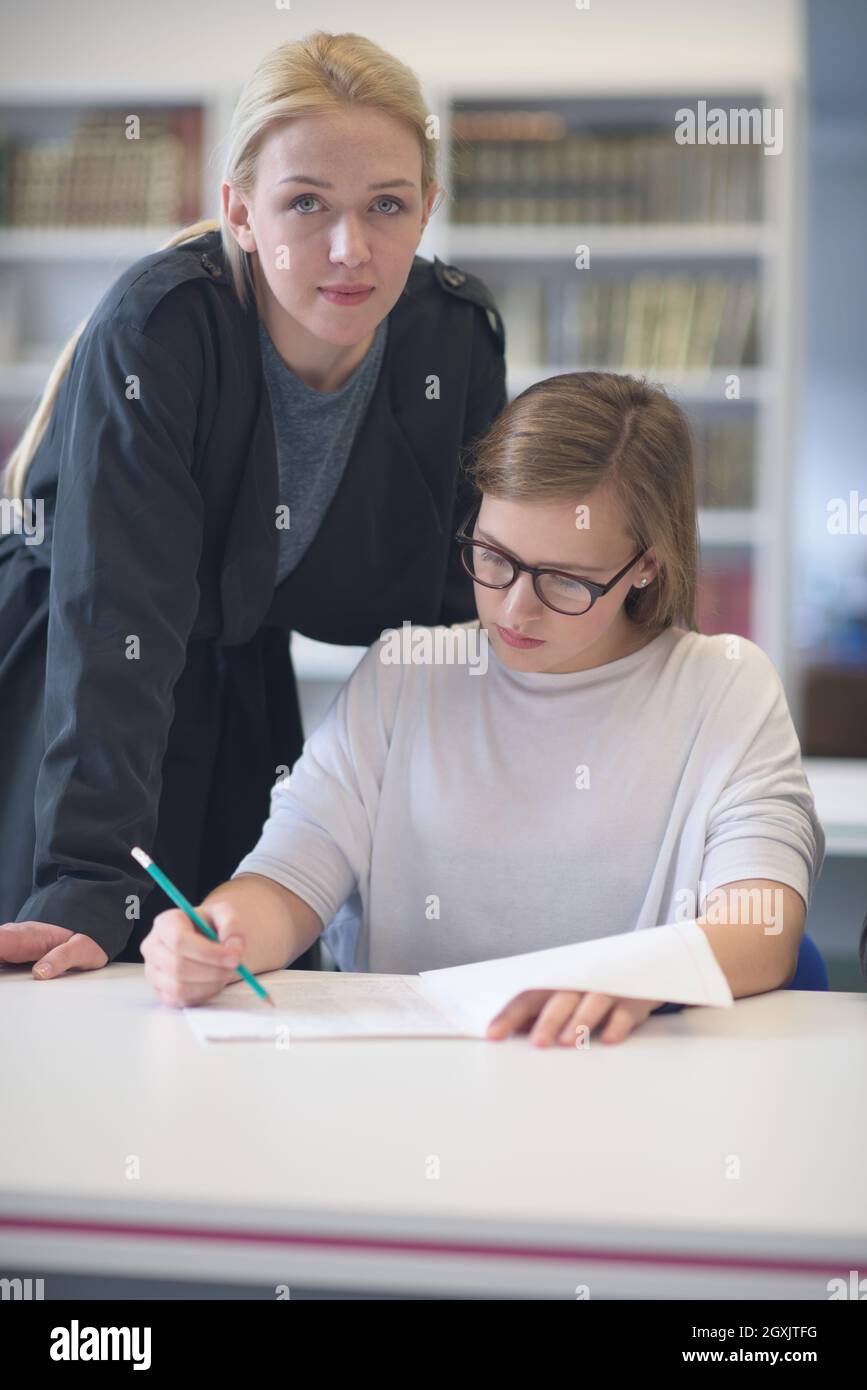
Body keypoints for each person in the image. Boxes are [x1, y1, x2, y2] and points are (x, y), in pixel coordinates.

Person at [0, 31, 506, 979]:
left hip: (239, 655)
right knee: (84, 966)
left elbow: (457, 619)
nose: (350, 249)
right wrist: (83, 880)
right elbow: (119, 627)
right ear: (238, 211)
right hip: (70, 681)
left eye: (386, 205)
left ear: (427, 208)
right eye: (304, 203)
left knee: (230, 968)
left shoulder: (456, 340)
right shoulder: (161, 332)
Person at [140, 371, 826, 1046]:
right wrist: (216, 933)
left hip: (622, 1094)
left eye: (563, 579)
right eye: (493, 557)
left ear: (645, 565)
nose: (514, 608)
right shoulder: (404, 674)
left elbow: (763, 926)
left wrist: (635, 976)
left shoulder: (723, 687)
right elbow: (288, 881)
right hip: (412, 1098)